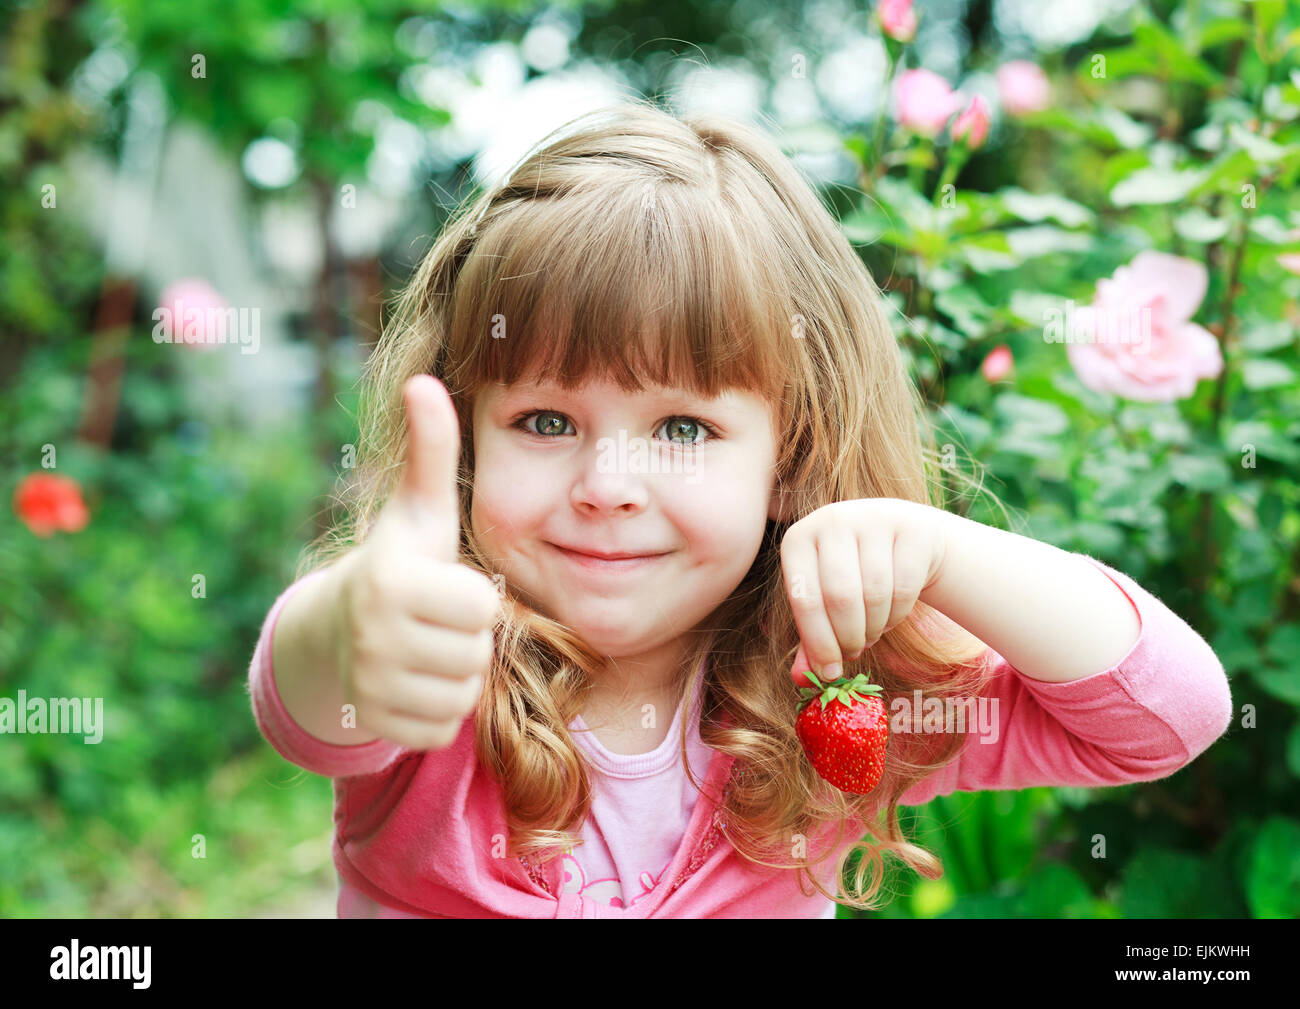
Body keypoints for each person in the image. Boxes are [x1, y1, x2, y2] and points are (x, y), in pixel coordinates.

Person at [247, 98, 1233, 918]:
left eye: (682, 428)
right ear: (466, 433)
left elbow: (1167, 719)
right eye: (545, 419)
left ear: (792, 454)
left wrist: (940, 553)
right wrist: (355, 623)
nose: (607, 482)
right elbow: (313, 697)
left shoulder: (838, 692)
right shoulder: (430, 658)